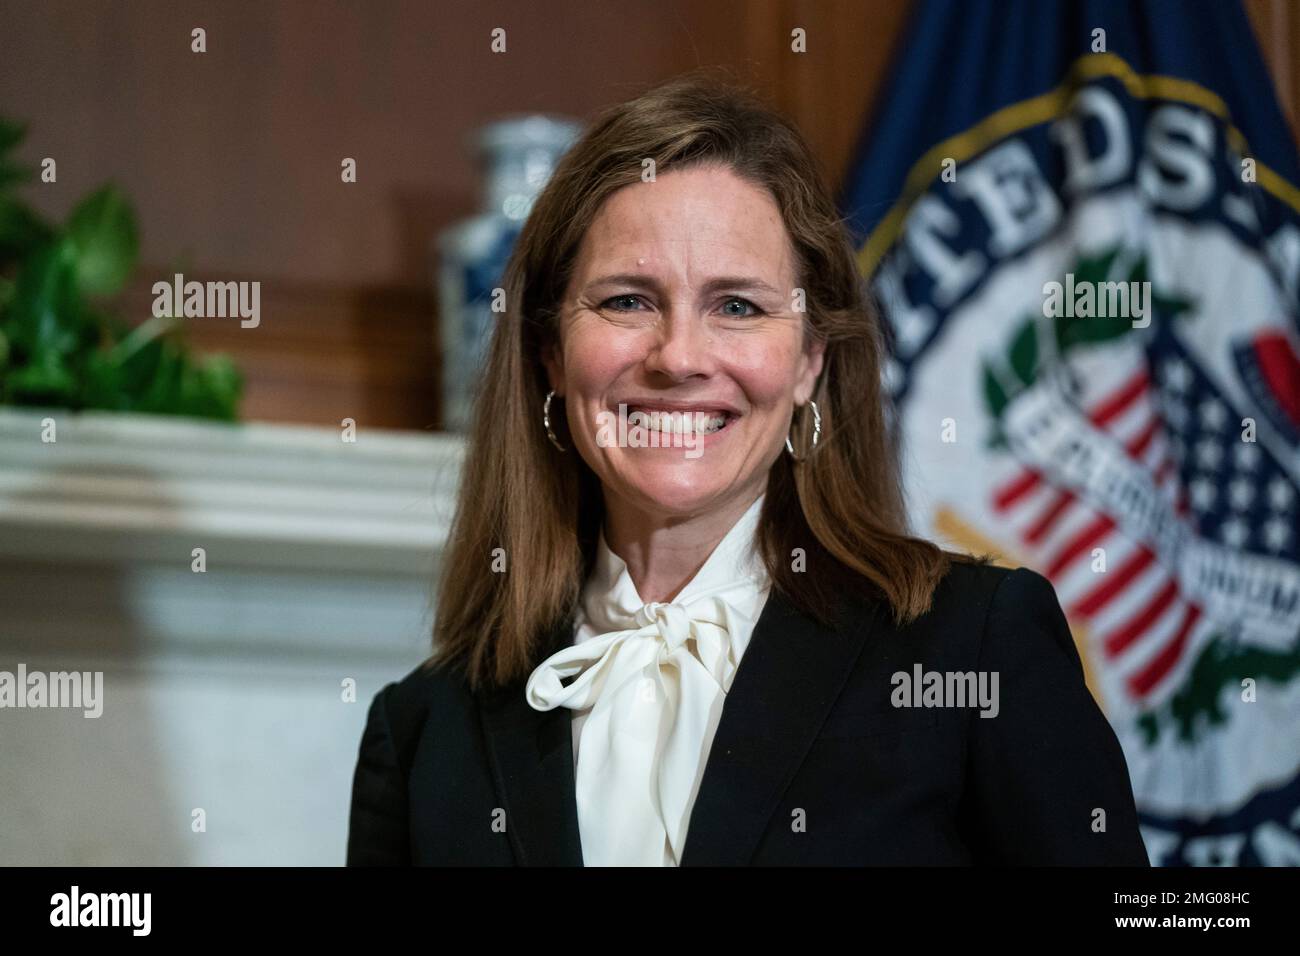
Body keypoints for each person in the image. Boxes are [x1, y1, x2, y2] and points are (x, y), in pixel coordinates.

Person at [346, 73, 1150, 866]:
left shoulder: (972, 646)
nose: (679, 358)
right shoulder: (423, 732)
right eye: (627, 300)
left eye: (738, 306)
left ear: (809, 362)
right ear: (552, 352)